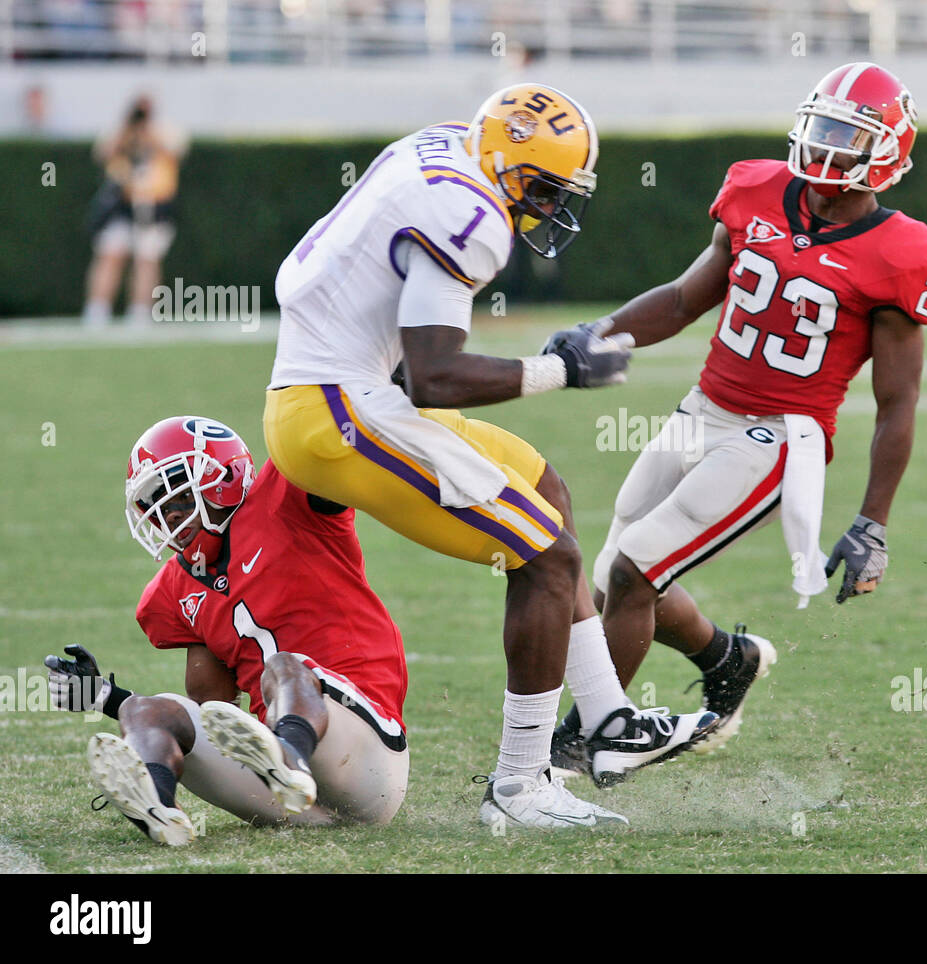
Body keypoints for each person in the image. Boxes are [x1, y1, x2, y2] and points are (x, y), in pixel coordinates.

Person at [263, 84, 718, 830]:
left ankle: (607, 719)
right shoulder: (467, 216)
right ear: (506, 164)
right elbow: (434, 375)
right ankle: (519, 784)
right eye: (539, 188)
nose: (545, 207)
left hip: (354, 386)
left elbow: (418, 374)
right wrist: (561, 369)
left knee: (546, 488)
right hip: (337, 409)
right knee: (548, 558)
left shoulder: (451, 143)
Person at [552, 63, 927, 770]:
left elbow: (897, 405)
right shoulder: (757, 187)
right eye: (822, 124)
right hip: (705, 407)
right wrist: (604, 331)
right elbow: (684, 300)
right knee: (620, 569)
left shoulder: (903, 254)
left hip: (783, 437)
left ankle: (582, 739)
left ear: (886, 155)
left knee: (638, 569)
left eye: (847, 134)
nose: (826, 145)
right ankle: (728, 660)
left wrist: (873, 523)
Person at [46, 415, 410, 845]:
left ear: (222, 477)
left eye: (175, 492)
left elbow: (331, 435)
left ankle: (289, 755)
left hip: (365, 756)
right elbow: (211, 707)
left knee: (282, 666)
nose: (167, 512)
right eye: (154, 502)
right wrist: (105, 698)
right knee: (150, 710)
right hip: (286, 796)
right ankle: (158, 806)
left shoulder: (290, 500)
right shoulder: (175, 590)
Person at [82, 95, 187, 328]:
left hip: (153, 204)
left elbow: (177, 150)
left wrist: (149, 132)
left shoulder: (163, 130)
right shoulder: (121, 131)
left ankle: (140, 311)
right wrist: (127, 131)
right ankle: (97, 310)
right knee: (110, 253)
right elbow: (102, 153)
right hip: (123, 204)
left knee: (147, 257)